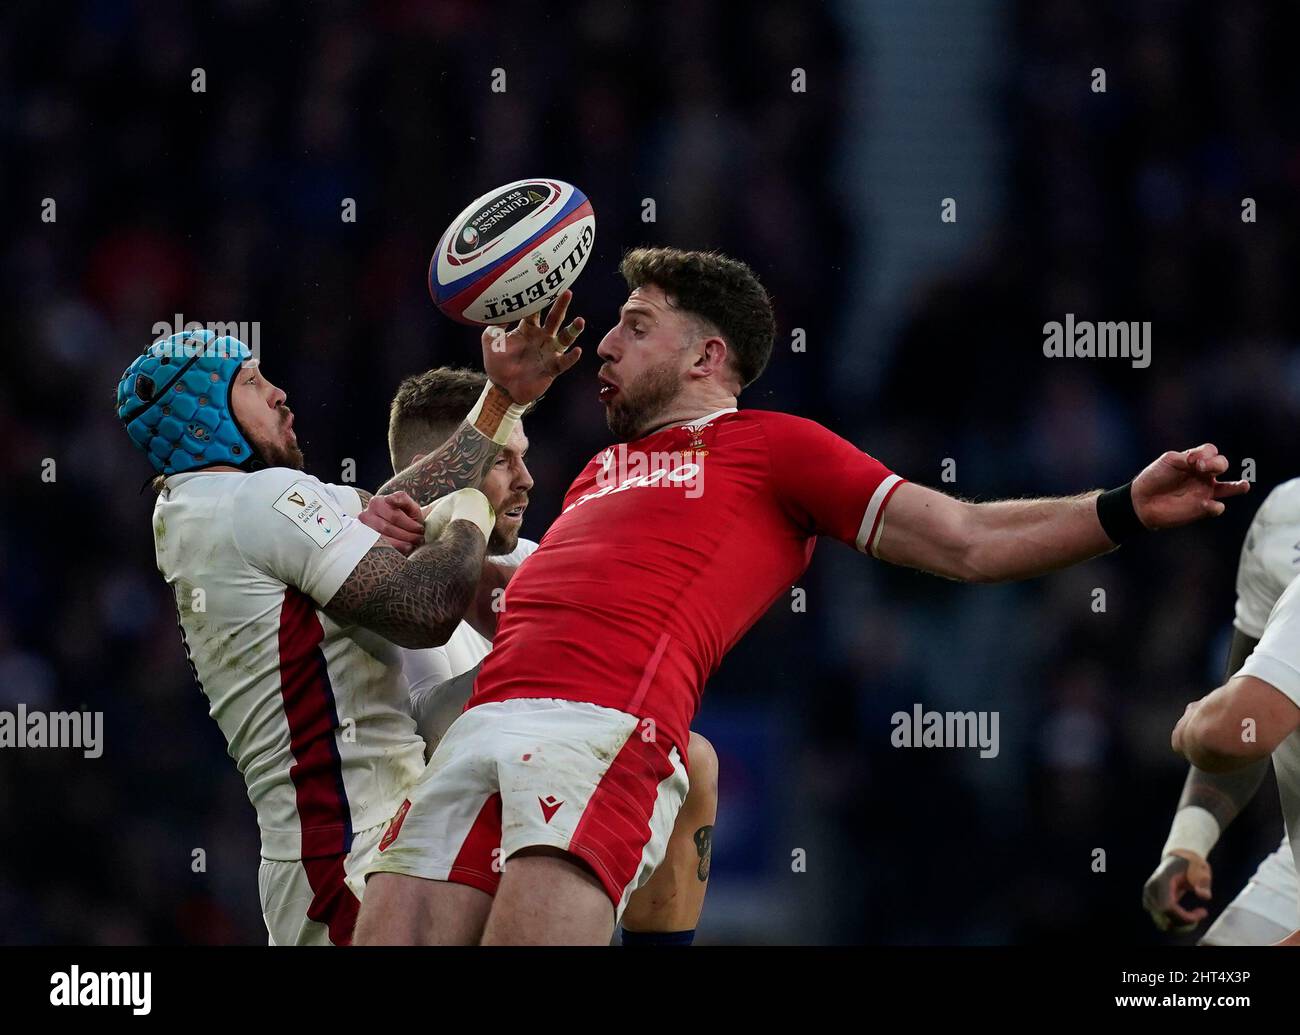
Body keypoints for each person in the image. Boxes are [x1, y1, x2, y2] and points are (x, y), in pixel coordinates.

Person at [354, 247, 1249, 946]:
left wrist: (1124, 506)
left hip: (596, 733)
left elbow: (965, 541)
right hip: (479, 726)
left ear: (708, 353)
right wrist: (497, 403)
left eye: (634, 324)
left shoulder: (778, 448)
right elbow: (493, 580)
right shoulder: (594, 470)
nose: (605, 345)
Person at [115, 303, 581, 944]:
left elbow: (406, 504)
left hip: (369, 840)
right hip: (347, 856)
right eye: (250, 383)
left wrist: (500, 401)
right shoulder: (256, 501)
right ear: (202, 427)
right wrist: (473, 507)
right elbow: (425, 612)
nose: (279, 393)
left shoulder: (212, 510)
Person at [382, 366, 718, 944]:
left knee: (693, 756)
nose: (527, 480)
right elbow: (422, 737)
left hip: (517, 841)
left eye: (525, 457)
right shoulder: (364, 569)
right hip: (396, 861)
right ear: (448, 464)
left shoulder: (537, 562)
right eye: (501, 461)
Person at [1143, 479, 1300, 944]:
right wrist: (1189, 840)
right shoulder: (1282, 517)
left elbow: (1227, 729)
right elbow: (1250, 711)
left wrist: (1191, 723)